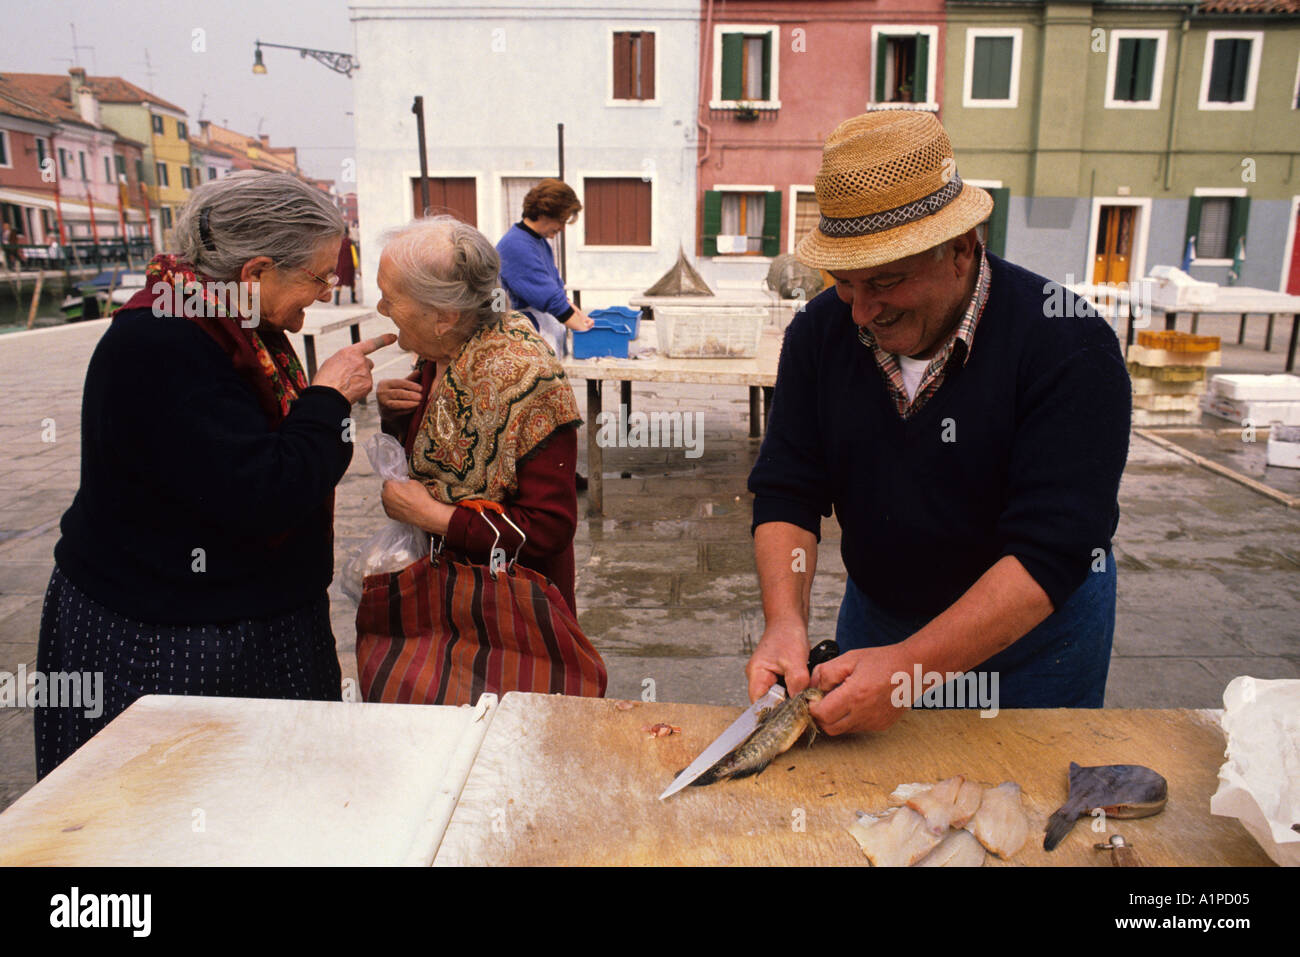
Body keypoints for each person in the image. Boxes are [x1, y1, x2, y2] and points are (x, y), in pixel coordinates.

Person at [745, 112, 1131, 736]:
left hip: (1034, 641)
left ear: (961, 248)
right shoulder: (820, 333)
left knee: (1025, 814)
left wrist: (911, 671)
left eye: (886, 282)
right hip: (881, 622)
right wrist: (784, 620)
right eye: (844, 283)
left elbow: (1052, 547)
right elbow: (789, 488)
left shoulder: (1068, 343)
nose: (863, 312)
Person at [35, 170, 394, 778]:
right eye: (317, 275)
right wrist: (329, 399)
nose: (326, 293)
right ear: (254, 272)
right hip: (170, 633)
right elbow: (267, 492)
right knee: (184, 802)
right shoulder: (163, 343)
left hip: (234, 610)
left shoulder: (232, 323)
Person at [374, 215, 583, 613]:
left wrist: (433, 516)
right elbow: (430, 453)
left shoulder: (527, 381)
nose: (382, 308)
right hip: (447, 604)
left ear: (444, 316)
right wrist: (398, 414)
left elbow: (549, 528)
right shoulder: (442, 354)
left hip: (511, 620)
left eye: (390, 297)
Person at [495, 178, 595, 359]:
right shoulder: (516, 246)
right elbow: (551, 300)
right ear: (543, 214)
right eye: (561, 221)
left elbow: (556, 291)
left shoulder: (537, 240)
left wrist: (581, 317)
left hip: (535, 326)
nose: (563, 228)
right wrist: (587, 333)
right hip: (518, 335)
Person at [334, 231, 357, 305]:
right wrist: (356, 264)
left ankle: (336, 301)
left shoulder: (337, 242)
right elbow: (354, 254)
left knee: (339, 282)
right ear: (348, 233)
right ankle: (353, 299)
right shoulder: (350, 242)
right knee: (351, 282)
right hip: (349, 265)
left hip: (339, 266)